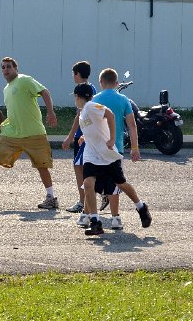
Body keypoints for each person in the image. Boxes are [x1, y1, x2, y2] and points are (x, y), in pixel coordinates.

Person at [0, 57, 59, 208]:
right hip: (12, 134)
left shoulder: (24, 80)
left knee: (42, 166)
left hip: (34, 133)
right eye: (3, 67)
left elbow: (44, 92)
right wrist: (1, 125)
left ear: (16, 68)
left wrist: (50, 112)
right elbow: (13, 114)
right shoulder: (6, 89)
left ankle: (51, 198)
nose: (5, 70)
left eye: (9, 66)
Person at [71, 83, 151, 236]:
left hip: (107, 154)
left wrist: (112, 138)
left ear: (78, 96)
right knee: (88, 184)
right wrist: (84, 137)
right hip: (92, 155)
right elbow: (93, 127)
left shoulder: (91, 106)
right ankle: (95, 222)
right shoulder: (83, 111)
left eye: (75, 96)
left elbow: (110, 115)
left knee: (120, 183)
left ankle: (141, 207)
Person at [91, 68, 151, 231]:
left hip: (97, 148)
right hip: (116, 147)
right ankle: (116, 217)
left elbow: (90, 124)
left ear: (101, 82)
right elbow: (132, 125)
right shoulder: (124, 100)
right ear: (117, 83)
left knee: (91, 181)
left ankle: (90, 216)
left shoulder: (95, 99)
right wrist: (134, 148)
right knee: (116, 183)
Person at [62, 61, 98, 214]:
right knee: (84, 168)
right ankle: (89, 199)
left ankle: (83, 202)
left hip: (83, 136)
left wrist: (70, 137)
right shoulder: (91, 88)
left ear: (77, 74)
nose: (73, 76)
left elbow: (79, 116)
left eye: (73, 73)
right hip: (85, 135)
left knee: (81, 169)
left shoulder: (85, 90)